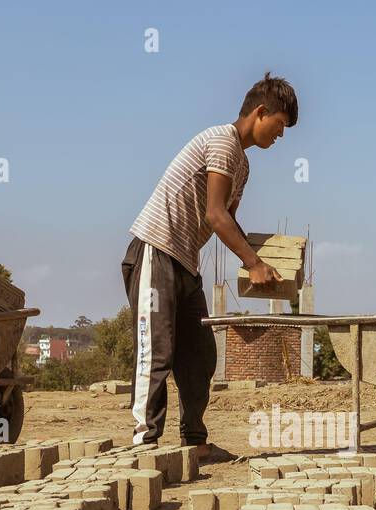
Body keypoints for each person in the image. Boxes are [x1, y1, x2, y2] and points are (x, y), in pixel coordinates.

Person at [123, 72, 298, 460]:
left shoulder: (243, 166)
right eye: (281, 125)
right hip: (156, 250)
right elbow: (216, 215)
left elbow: (229, 222)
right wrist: (252, 262)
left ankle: (194, 441)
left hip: (186, 262)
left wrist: (268, 261)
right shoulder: (221, 142)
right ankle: (144, 443)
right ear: (261, 112)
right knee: (157, 351)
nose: (281, 136)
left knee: (200, 356)